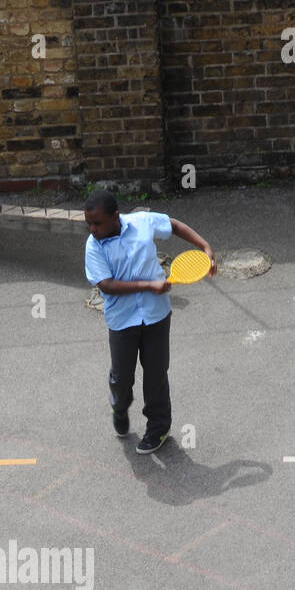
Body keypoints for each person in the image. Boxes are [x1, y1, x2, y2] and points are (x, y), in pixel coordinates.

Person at [84, 189, 216, 453]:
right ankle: (119, 408)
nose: (93, 228)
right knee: (122, 379)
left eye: (98, 222)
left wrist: (205, 247)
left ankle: (158, 429)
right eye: (89, 223)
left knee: (156, 375)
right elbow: (107, 285)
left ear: (115, 216)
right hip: (122, 322)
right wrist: (148, 285)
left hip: (156, 315)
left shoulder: (142, 222)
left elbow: (175, 226)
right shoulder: (93, 246)